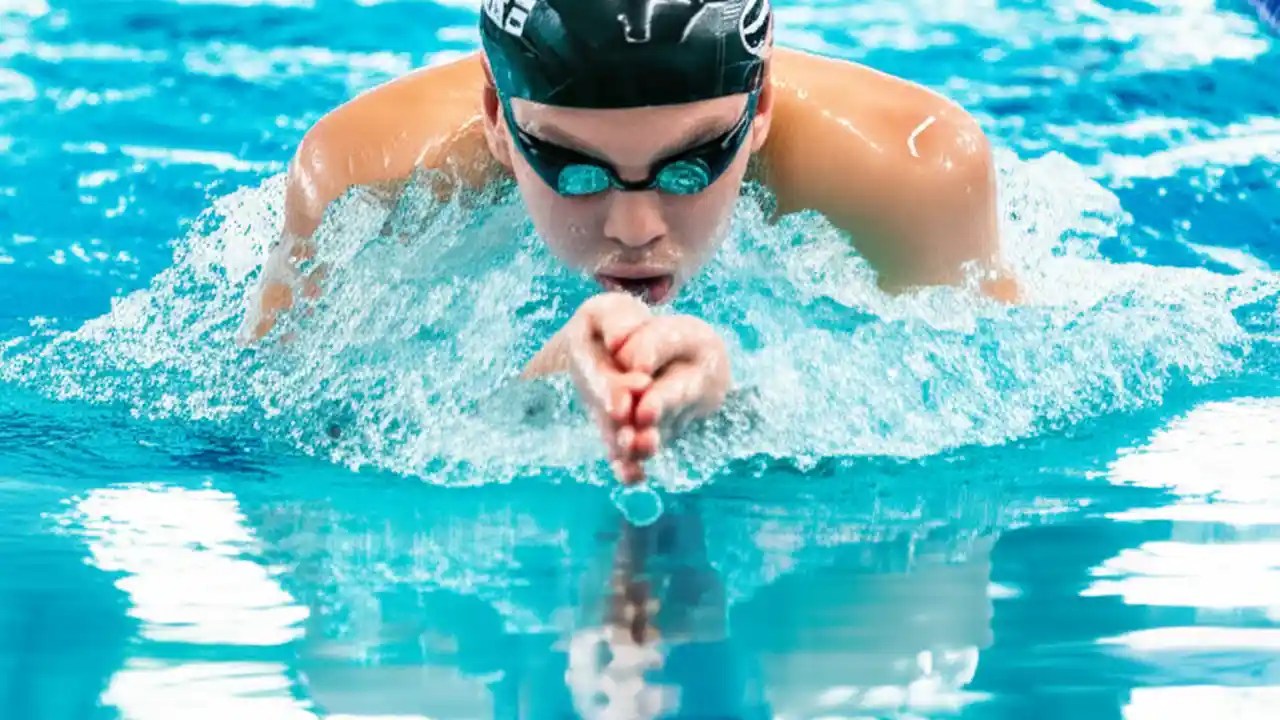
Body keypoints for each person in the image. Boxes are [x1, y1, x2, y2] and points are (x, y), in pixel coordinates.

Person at [241, 0, 1018, 484]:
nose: (635, 228)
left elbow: (991, 439)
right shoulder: (368, 186)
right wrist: (540, 388)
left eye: (692, 165)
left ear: (763, 105)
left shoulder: (912, 175)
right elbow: (274, 446)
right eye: (573, 170)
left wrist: (739, 409)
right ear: (495, 117)